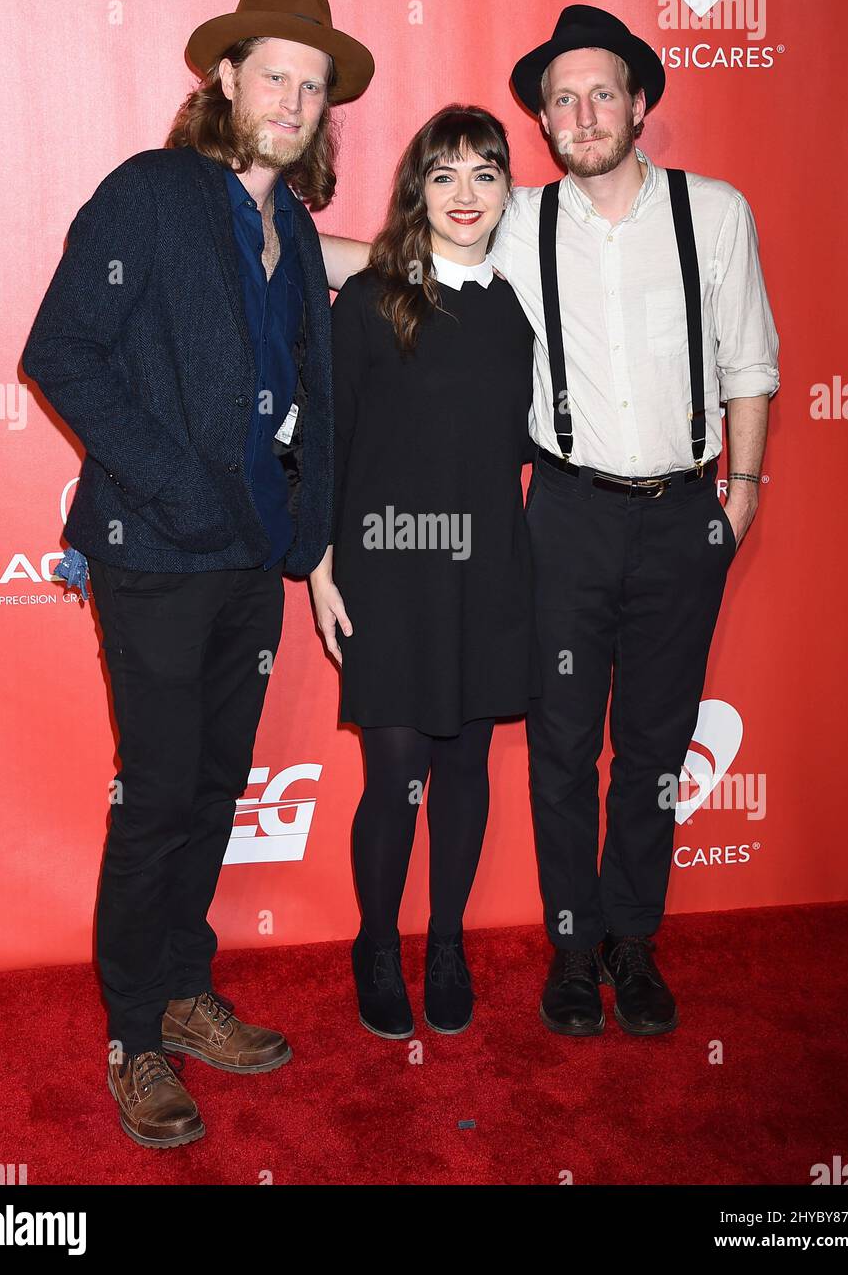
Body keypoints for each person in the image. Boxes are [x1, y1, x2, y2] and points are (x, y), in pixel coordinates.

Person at [20, 0, 374, 1147]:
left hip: (245, 557)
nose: (293, 96)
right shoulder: (155, 192)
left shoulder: (299, 230)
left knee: (215, 787)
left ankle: (181, 987)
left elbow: (313, 400)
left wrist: (305, 533)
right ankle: (132, 1035)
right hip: (155, 550)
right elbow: (60, 350)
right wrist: (173, 484)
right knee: (159, 794)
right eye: (274, 72)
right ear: (224, 79)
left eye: (313, 84)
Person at [492, 6, 780, 1036]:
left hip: (682, 517)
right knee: (563, 746)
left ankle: (632, 942)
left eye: (600, 91)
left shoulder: (715, 212)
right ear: (542, 120)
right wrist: (270, 226)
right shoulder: (515, 223)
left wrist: (738, 493)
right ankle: (572, 951)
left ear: (639, 103)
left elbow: (750, 361)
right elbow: (402, 255)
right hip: (564, 515)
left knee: (654, 749)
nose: (581, 111)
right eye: (561, 98)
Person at [309, 106, 539, 1039]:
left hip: (487, 570)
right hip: (390, 566)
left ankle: (446, 941)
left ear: (505, 193)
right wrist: (321, 564)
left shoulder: (515, 311)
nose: (464, 195)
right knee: (397, 766)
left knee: (466, 765)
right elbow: (330, 439)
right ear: (417, 190)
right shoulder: (370, 299)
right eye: (443, 175)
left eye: (484, 174)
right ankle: (376, 943)